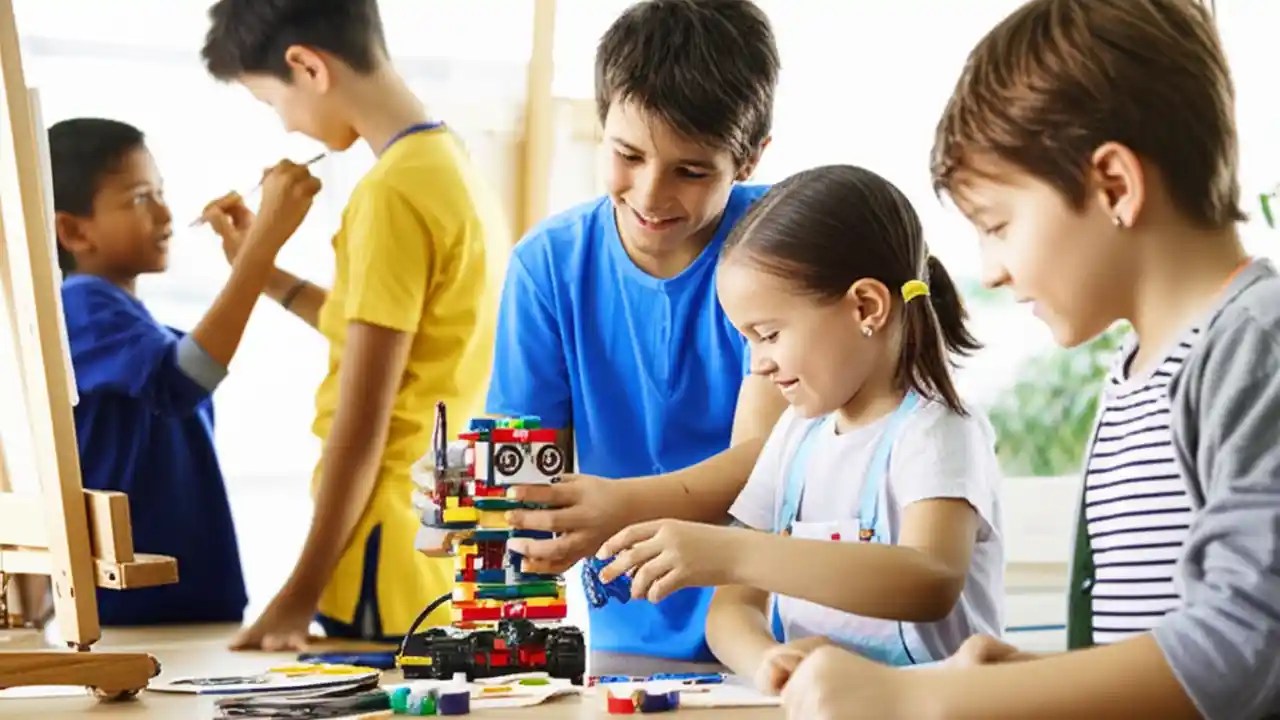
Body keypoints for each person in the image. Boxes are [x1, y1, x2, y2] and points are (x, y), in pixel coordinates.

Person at [778, 1, 1280, 718]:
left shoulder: (1253, 349)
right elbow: (1165, 644)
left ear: (1114, 185)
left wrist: (918, 704)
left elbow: (1245, 647)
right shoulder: (1137, 371)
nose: (994, 270)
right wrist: (1024, 676)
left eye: (998, 226)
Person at [595, 165, 1003, 694]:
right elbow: (731, 609)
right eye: (747, 340)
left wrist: (730, 552)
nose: (758, 364)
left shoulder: (938, 429)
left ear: (866, 306)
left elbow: (928, 581)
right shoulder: (795, 437)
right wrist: (771, 660)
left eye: (767, 334)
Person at [199, 0, 507, 650]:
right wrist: (263, 268)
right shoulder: (445, 163)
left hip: (381, 547)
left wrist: (294, 598)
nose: (285, 128)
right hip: (426, 543)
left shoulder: (390, 194)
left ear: (306, 66)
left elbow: (360, 428)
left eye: (270, 103)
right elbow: (376, 330)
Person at [486, 0, 787, 665]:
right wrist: (471, 486)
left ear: (750, 159)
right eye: (628, 155)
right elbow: (523, 471)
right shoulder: (548, 267)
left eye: (692, 170)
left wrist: (616, 505)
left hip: (778, 634)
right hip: (629, 640)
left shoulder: (783, 248)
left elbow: (767, 463)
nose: (651, 195)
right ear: (600, 127)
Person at [50, 117, 318, 625]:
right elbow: (180, 380)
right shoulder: (81, 306)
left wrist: (255, 258)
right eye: (138, 199)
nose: (166, 213)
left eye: (161, 192)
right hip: (137, 606)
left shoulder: (138, 326)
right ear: (73, 230)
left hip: (181, 599)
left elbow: (185, 362)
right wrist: (261, 248)